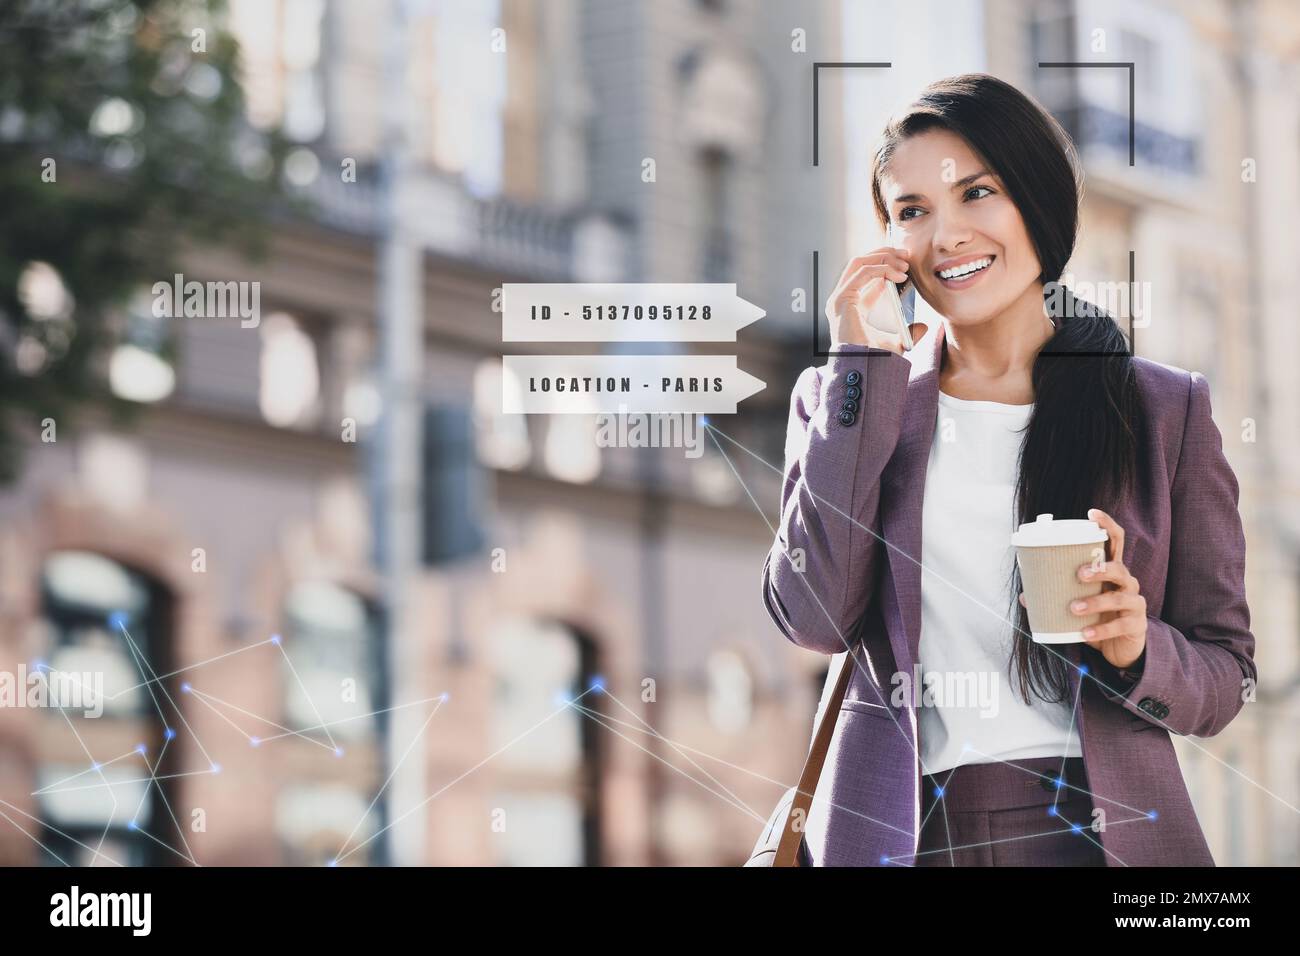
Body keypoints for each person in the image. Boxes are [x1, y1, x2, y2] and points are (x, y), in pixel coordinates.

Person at [760, 73, 1255, 866]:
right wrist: (861, 365)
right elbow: (814, 616)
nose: (946, 235)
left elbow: (1226, 677)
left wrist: (1137, 646)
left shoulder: (1164, 409)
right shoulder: (844, 398)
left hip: (1095, 835)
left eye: (977, 193)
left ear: (1036, 197)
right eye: (912, 211)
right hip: (905, 833)